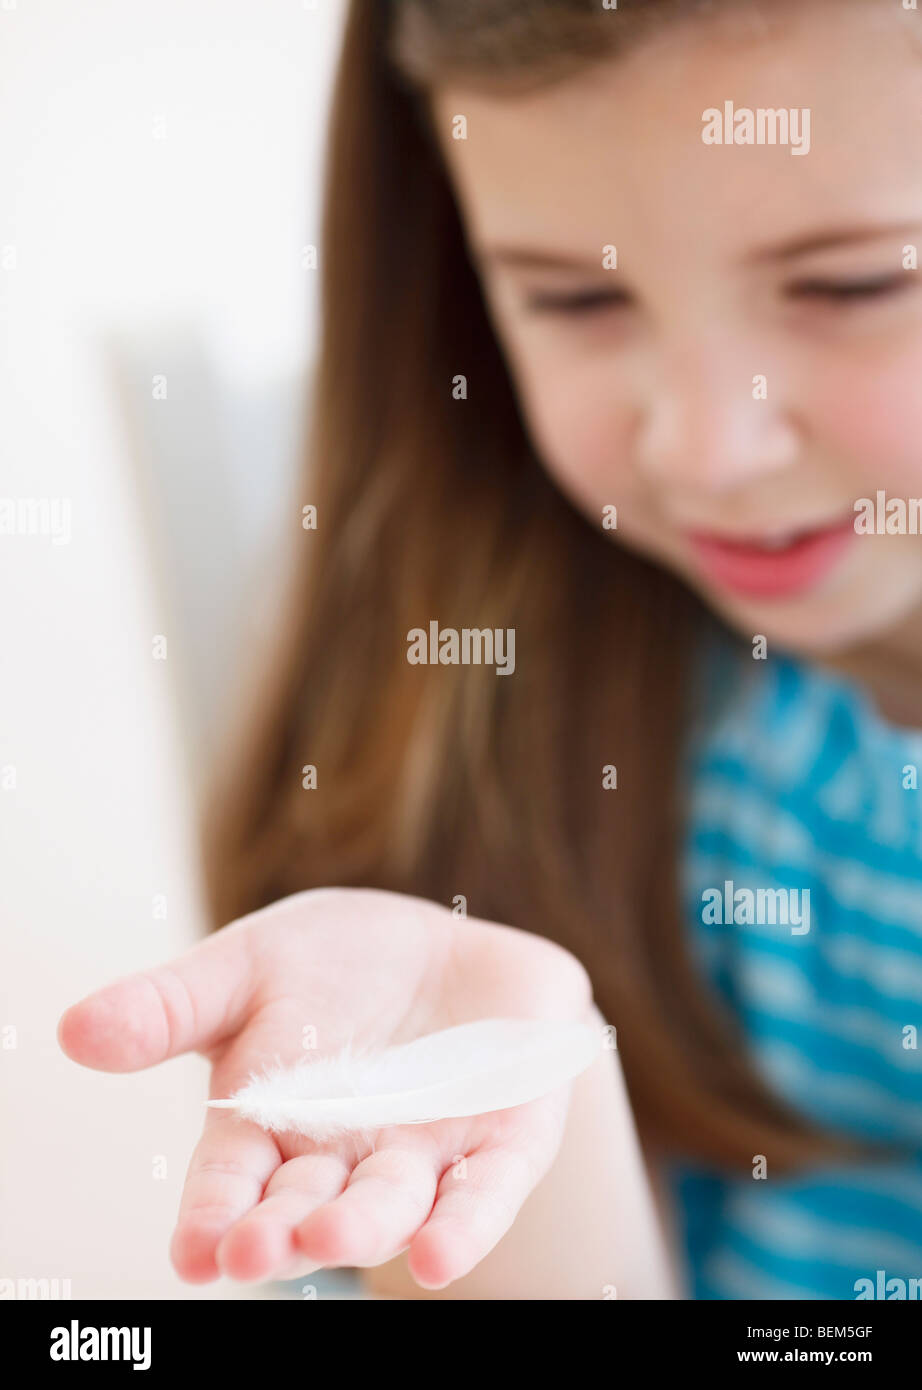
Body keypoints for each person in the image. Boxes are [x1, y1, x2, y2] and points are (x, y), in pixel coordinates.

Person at [58, 0, 922, 1299]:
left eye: (849, 283)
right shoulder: (567, 730)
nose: (702, 446)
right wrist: (519, 1076)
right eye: (573, 297)